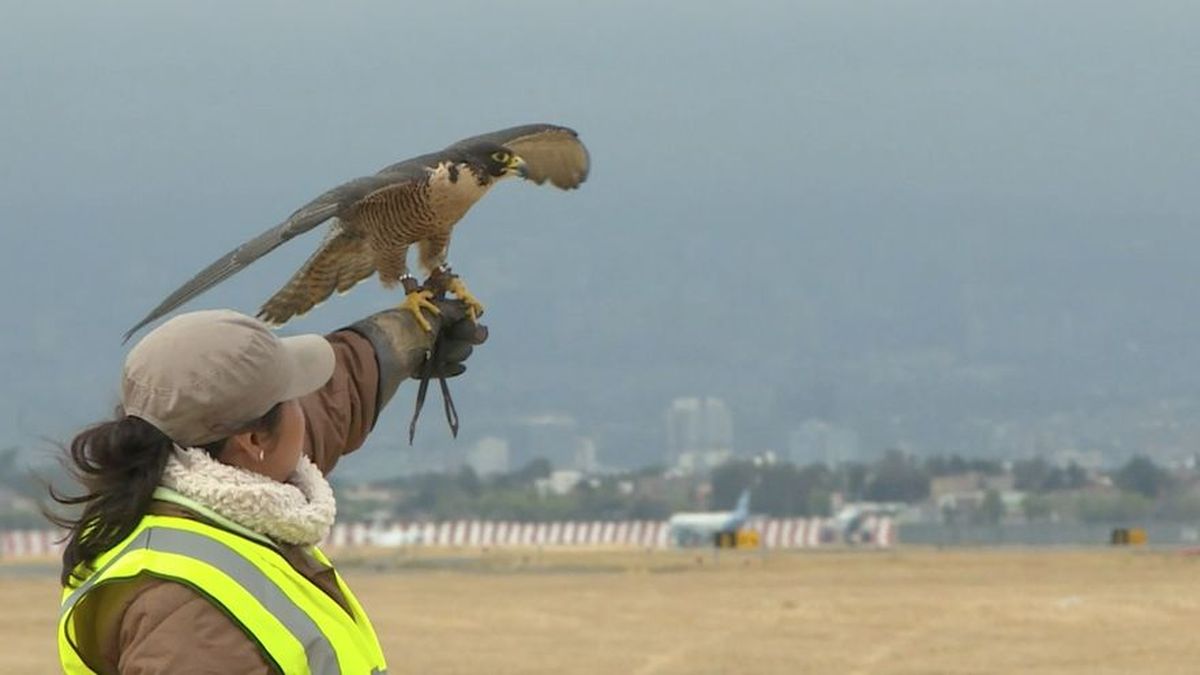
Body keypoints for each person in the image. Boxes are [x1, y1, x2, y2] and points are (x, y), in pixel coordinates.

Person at [53, 301, 486, 674]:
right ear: (255, 439)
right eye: (293, 398)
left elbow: (326, 408)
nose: (305, 409)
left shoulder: (194, 488)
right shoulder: (187, 614)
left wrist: (394, 339)